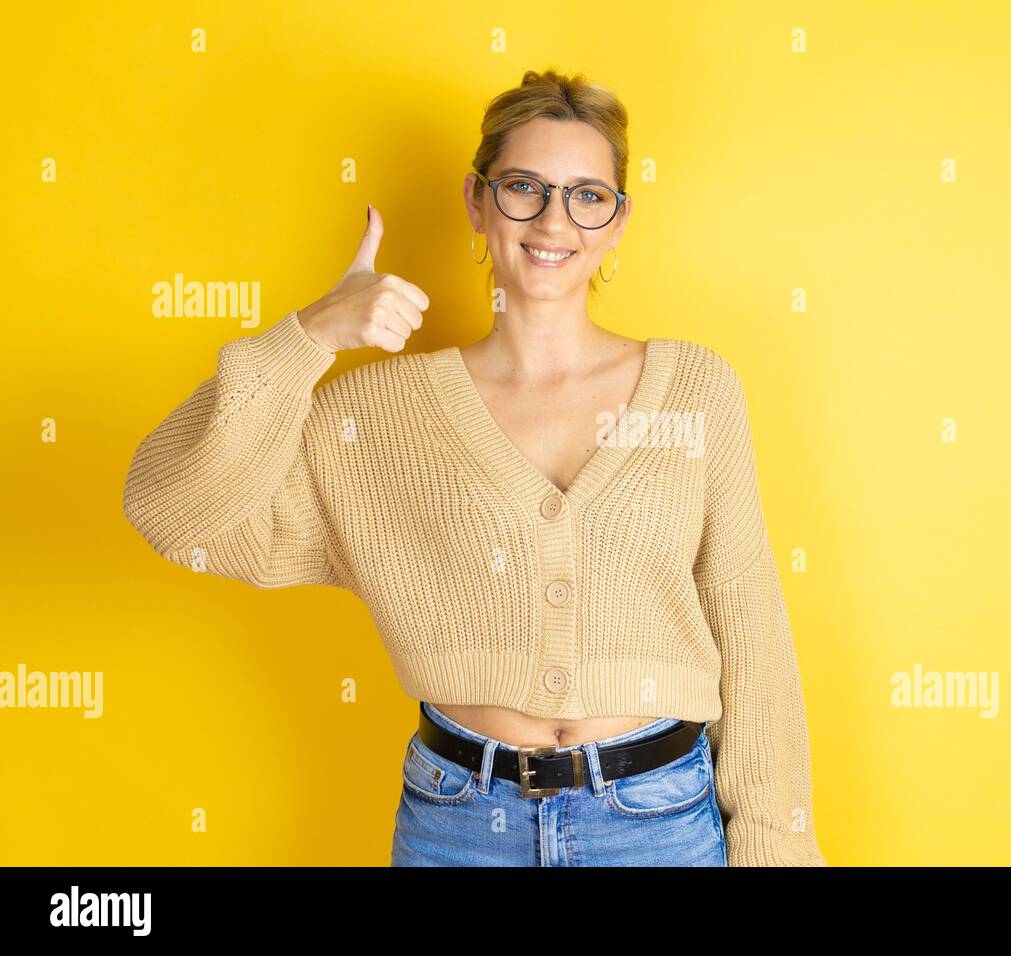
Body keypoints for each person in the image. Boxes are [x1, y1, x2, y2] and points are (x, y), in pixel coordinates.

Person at [122, 68, 826, 866]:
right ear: (476, 201)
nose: (554, 219)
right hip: (458, 825)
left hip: (658, 820)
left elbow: (749, 619)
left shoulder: (698, 389)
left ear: (618, 221)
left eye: (587, 195)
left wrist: (778, 844)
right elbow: (173, 512)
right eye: (524, 187)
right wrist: (307, 337)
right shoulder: (378, 416)